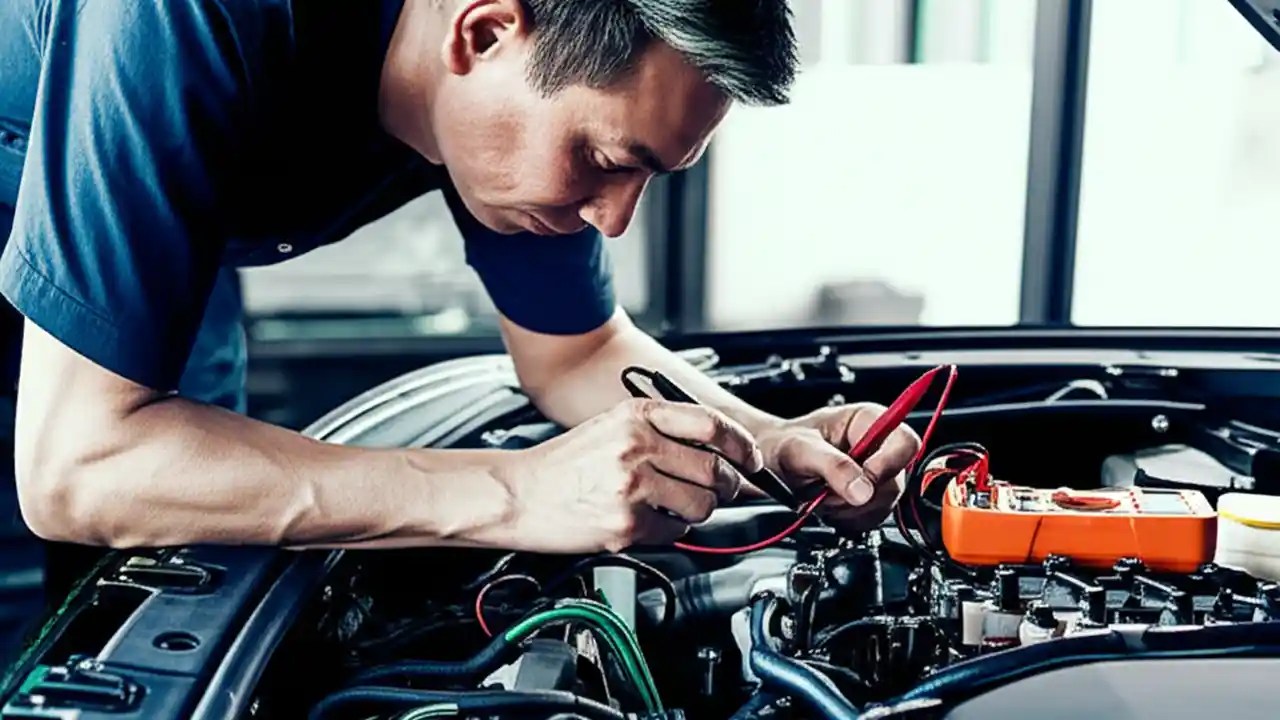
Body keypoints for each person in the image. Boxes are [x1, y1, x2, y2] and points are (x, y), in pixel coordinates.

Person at [0, 0, 920, 657]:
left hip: (163, 241)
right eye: (606, 159)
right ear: (482, 33)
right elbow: (81, 466)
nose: (614, 220)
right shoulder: (182, 15)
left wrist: (769, 441)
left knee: (171, 569)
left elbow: (577, 352)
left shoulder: (502, 93)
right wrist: (516, 491)